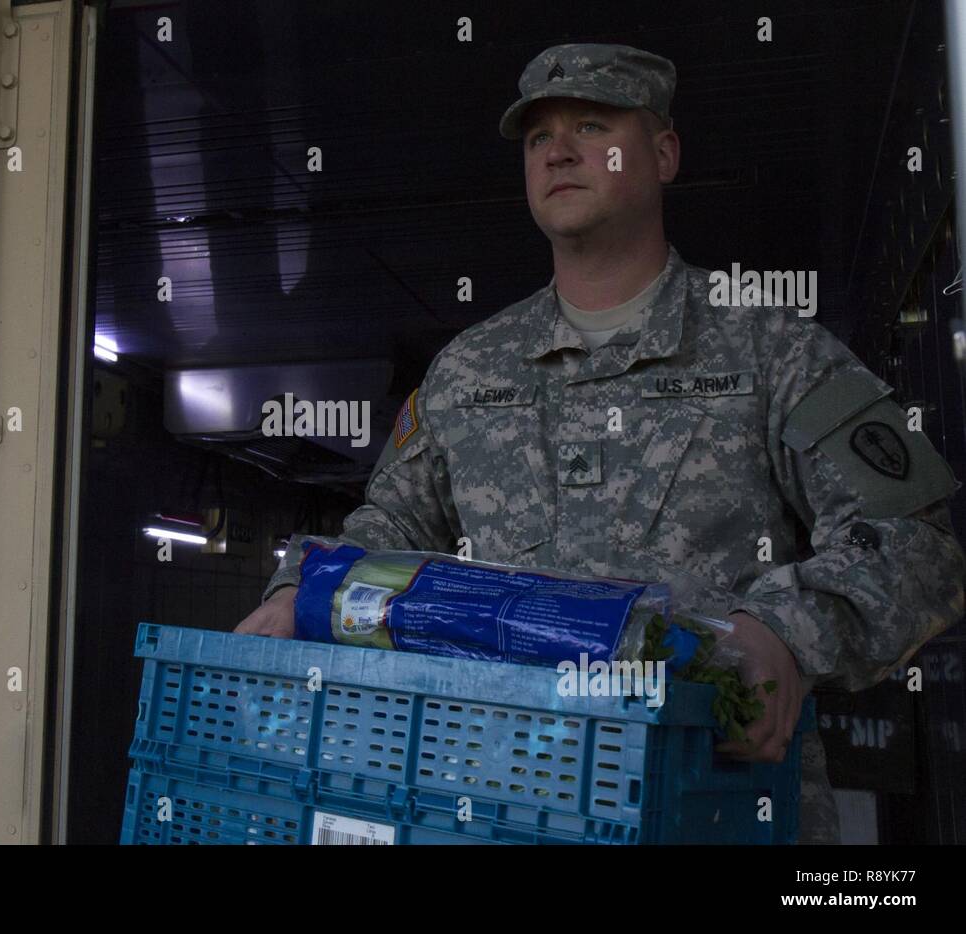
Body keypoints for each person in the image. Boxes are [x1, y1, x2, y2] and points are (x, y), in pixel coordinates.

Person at [234, 43, 966, 844]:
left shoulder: (771, 350)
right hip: (502, 805)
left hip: (713, 808)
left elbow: (916, 542)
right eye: (537, 135)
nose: (557, 148)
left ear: (664, 152)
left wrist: (786, 631)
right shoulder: (468, 369)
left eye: (591, 123)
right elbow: (390, 535)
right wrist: (297, 591)